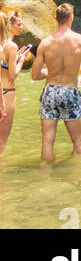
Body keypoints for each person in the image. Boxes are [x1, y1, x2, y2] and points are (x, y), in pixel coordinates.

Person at [31, 2, 81, 161]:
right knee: (79, 141)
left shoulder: (45, 43)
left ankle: (44, 178)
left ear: (55, 19)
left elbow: (35, 75)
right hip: (69, 92)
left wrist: (48, 72)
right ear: (71, 18)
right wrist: (74, 69)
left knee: (47, 142)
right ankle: (77, 178)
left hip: (50, 91)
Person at [0, 10, 32, 153]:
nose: (21, 27)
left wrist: (14, 59)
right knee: (2, 141)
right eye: (19, 24)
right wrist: (20, 61)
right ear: (9, 25)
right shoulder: (11, 47)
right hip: (6, 93)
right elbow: (12, 76)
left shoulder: (2, 45)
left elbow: (4, 67)